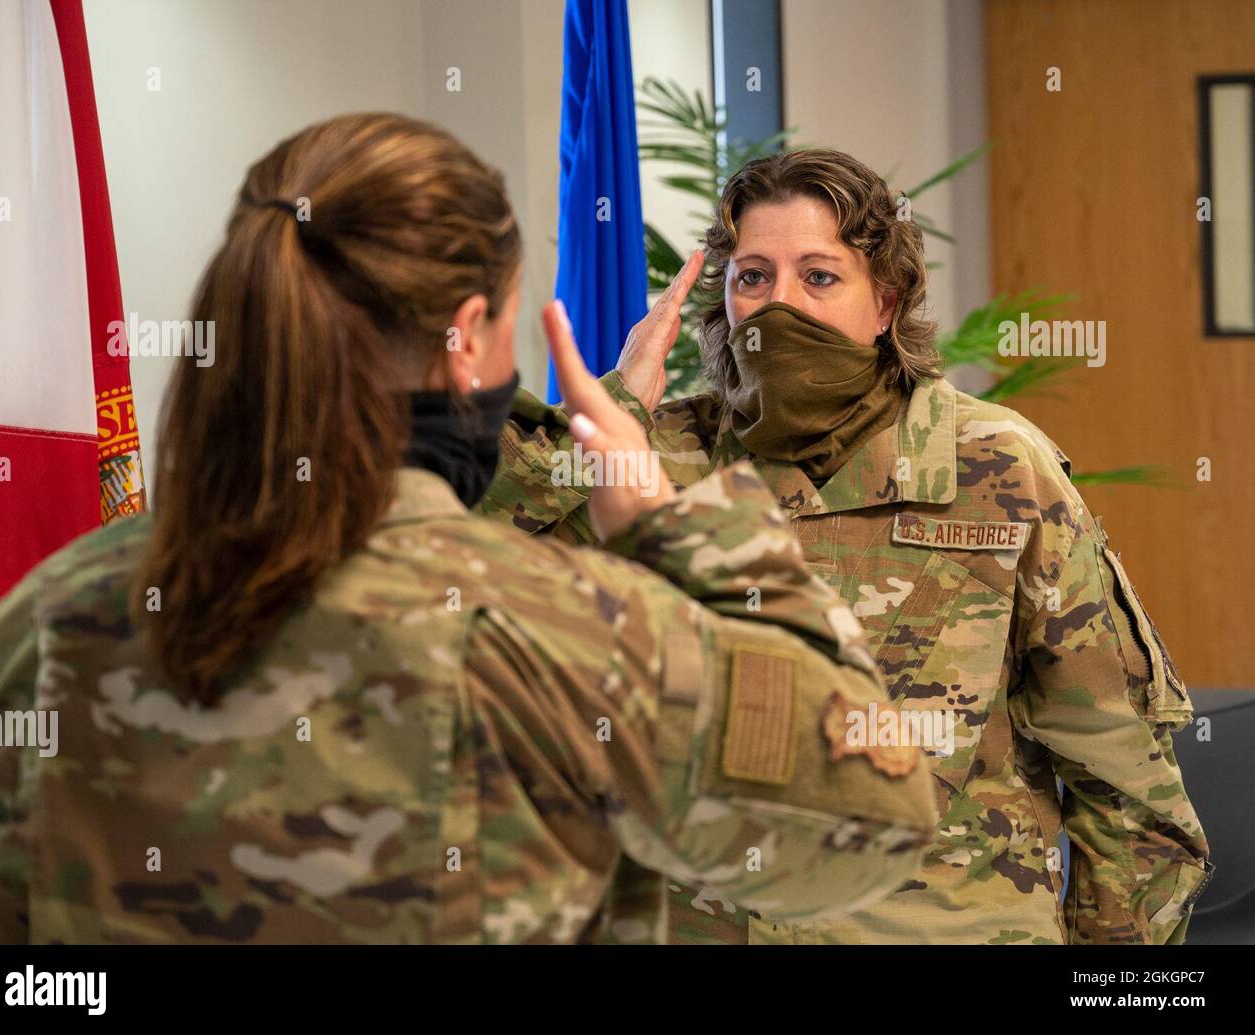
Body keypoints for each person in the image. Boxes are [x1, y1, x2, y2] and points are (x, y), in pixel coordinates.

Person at [0, 116, 938, 945]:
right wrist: (690, 534)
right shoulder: (576, 635)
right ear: (466, 336)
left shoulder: (35, 622)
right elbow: (877, 819)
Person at [479, 148, 1213, 944]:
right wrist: (616, 409)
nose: (778, 306)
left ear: (886, 303)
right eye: (752, 276)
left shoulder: (998, 467)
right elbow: (459, 564)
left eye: (819, 277)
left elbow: (1125, 783)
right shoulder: (657, 459)